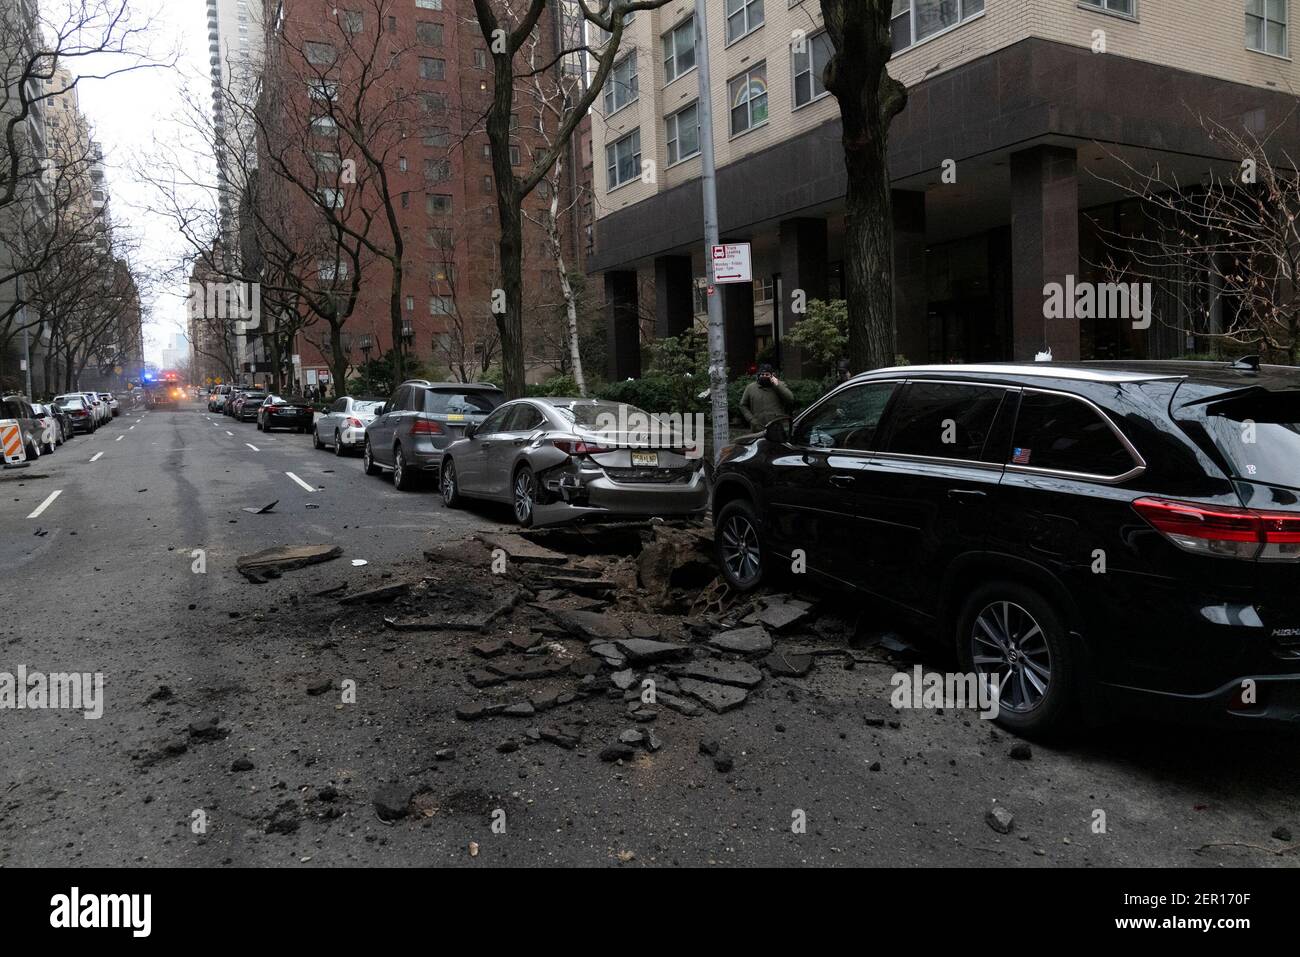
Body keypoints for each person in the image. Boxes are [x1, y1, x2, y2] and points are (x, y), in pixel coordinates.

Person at [739, 364, 793, 431]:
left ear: (772, 375)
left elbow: (790, 398)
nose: (764, 376)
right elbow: (743, 405)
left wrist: (777, 385)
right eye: (762, 374)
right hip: (758, 427)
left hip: (777, 426)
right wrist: (752, 420)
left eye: (767, 374)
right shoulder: (751, 388)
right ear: (759, 375)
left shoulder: (779, 385)